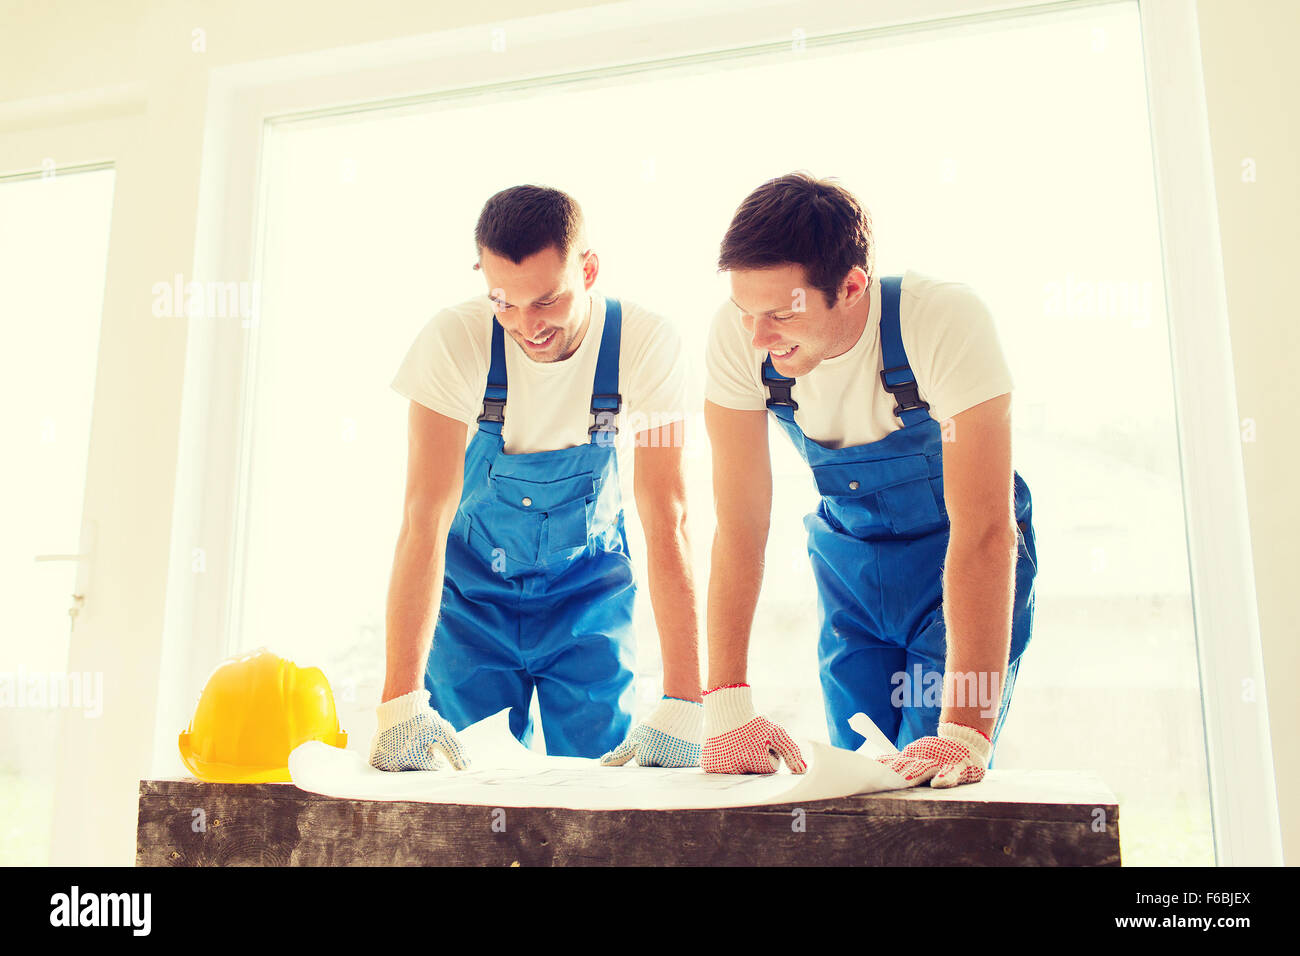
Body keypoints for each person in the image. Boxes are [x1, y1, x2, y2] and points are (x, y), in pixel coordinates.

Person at [701, 172, 1037, 788]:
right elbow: (740, 526)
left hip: (959, 568)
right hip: (850, 570)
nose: (757, 336)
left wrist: (962, 732)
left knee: (931, 782)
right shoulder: (741, 338)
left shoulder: (942, 320)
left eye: (778, 313)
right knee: (855, 778)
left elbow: (986, 530)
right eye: (744, 310)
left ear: (852, 286)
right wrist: (725, 710)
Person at [369, 185, 702, 771]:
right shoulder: (454, 340)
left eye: (547, 301)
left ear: (589, 269)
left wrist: (686, 701)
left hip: (588, 595)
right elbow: (424, 517)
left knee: (604, 791)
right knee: (472, 790)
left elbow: (666, 513)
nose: (527, 326)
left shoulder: (647, 344)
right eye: (504, 302)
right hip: (473, 602)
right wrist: (399, 703)